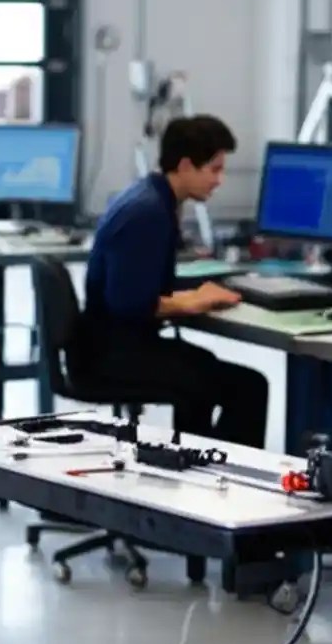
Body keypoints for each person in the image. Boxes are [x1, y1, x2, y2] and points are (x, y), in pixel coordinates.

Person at [76, 114, 268, 447]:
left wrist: (191, 295)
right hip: (114, 354)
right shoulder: (148, 213)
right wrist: (194, 300)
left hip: (107, 345)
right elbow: (129, 304)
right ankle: (228, 481)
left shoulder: (151, 196)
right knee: (249, 387)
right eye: (214, 169)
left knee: (201, 368)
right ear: (185, 165)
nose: (220, 180)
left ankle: (194, 470)